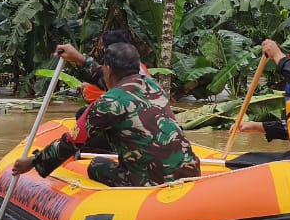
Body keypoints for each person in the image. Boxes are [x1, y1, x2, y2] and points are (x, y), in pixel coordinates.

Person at [13, 41, 200, 187]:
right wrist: (80, 59)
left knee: (97, 165)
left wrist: (33, 161)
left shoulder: (106, 104)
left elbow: (70, 142)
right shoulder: (153, 86)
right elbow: (107, 80)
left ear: (108, 69)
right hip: (191, 172)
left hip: (148, 182)